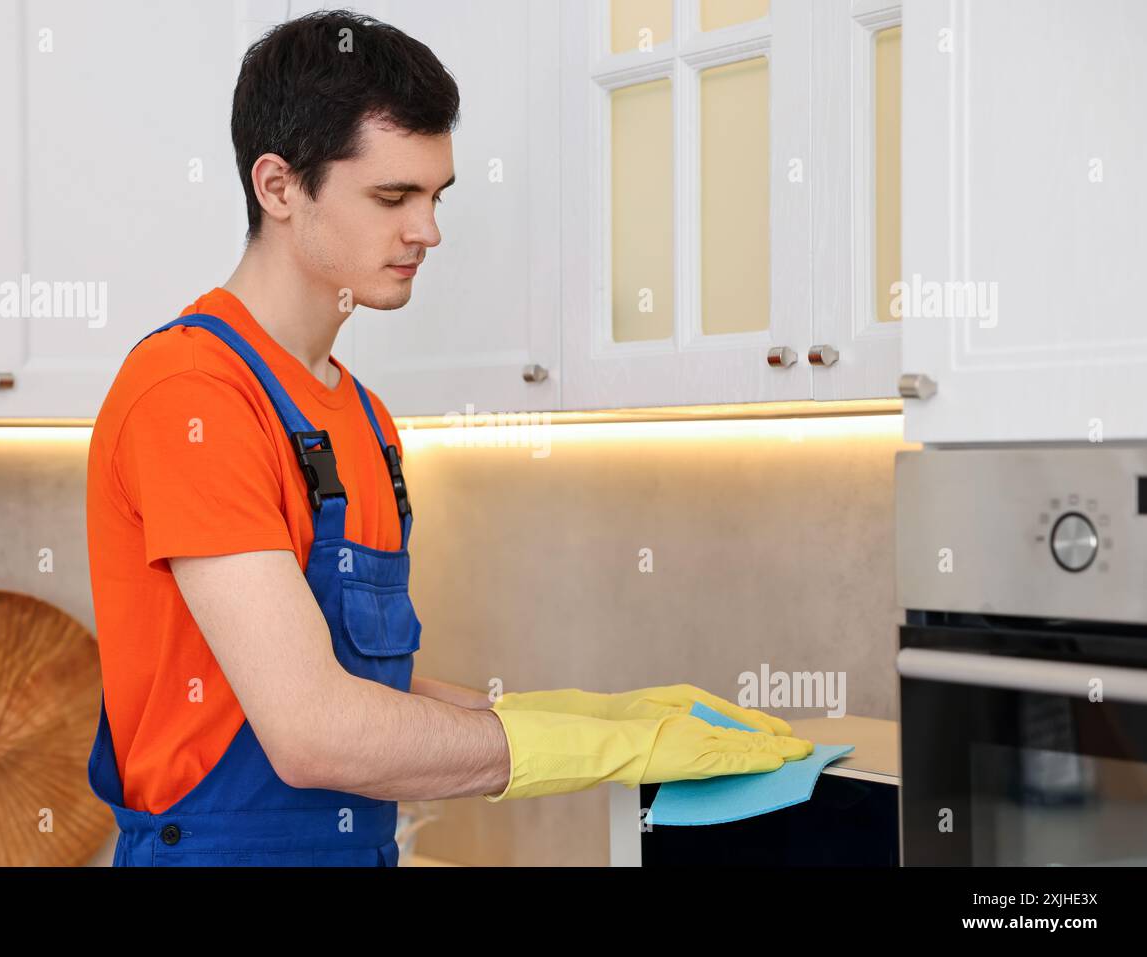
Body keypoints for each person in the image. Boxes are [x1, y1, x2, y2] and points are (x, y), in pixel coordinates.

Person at [84, 8, 812, 867]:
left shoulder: (364, 419)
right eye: (393, 197)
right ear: (278, 186)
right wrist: (576, 751)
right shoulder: (192, 396)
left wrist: (598, 717)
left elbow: (367, 695)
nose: (427, 230)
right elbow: (314, 733)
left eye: (435, 196)